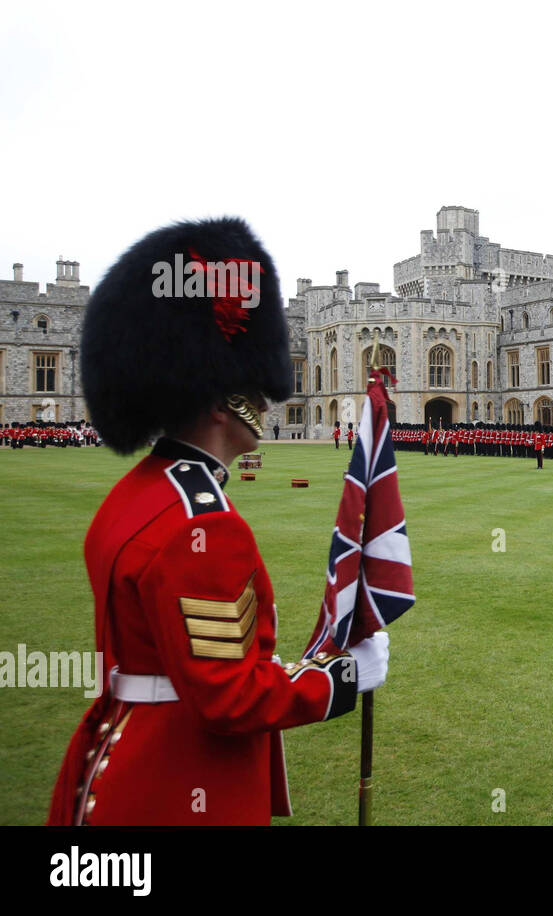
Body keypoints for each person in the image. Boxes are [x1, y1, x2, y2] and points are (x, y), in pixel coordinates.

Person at [48, 217, 389, 826]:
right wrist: (340, 681)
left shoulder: (133, 496)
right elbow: (228, 696)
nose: (265, 402)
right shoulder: (200, 524)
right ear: (216, 395)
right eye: (253, 387)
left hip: (115, 760)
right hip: (179, 784)